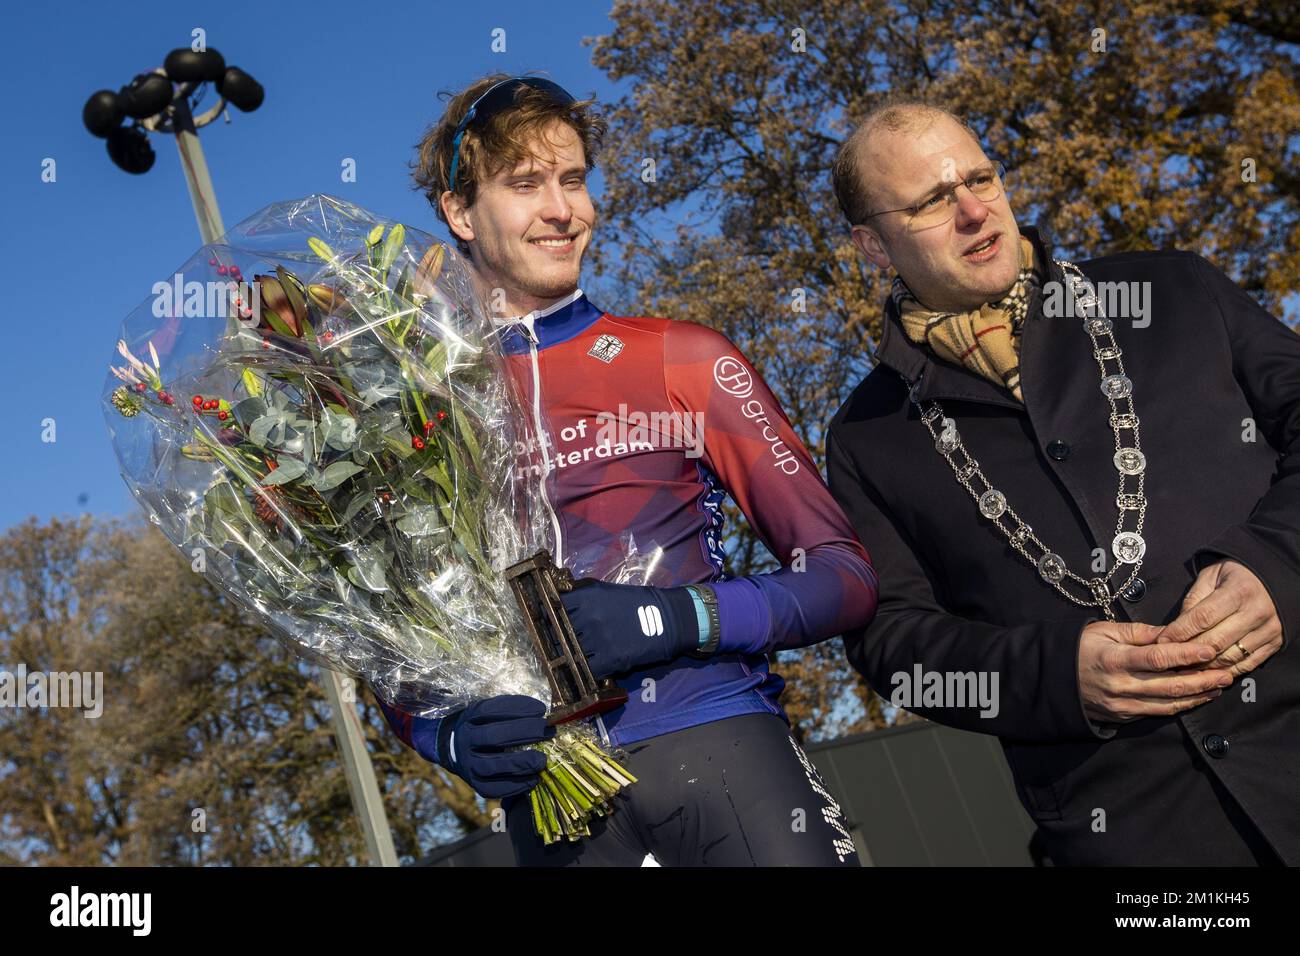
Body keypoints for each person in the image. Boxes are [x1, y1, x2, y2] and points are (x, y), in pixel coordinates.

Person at [376, 74, 879, 866]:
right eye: (525, 184)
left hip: (718, 749)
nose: (562, 209)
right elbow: (388, 645)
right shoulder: (413, 412)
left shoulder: (681, 358)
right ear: (459, 212)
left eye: (573, 179)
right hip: (551, 796)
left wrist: (678, 619)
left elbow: (844, 577)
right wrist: (450, 734)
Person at [825, 99, 1299, 865]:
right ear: (873, 246)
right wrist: (1052, 676)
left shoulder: (1175, 294)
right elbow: (894, 645)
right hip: (1140, 840)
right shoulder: (864, 437)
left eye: (981, 179)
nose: (977, 212)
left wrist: (1281, 566)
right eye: (932, 203)